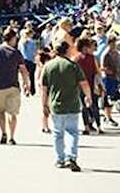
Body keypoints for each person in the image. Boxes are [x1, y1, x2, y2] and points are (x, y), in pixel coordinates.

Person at [40, 41, 90, 172]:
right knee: (73, 132)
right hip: (72, 104)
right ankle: (71, 157)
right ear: (66, 51)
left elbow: (43, 88)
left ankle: (60, 159)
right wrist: (88, 96)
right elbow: (84, 83)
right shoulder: (73, 66)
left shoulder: (48, 66)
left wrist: (43, 105)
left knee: (58, 133)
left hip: (56, 105)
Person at [0, 28, 31, 145]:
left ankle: (3, 132)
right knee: (12, 113)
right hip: (13, 86)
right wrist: (26, 84)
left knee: (0, 111)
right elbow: (24, 70)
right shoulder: (16, 53)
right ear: (13, 38)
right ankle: (11, 137)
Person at [75, 38, 104, 134]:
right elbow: (97, 71)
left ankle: (86, 127)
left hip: (80, 85)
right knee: (94, 105)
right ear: (84, 47)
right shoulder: (92, 58)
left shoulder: (76, 58)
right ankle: (99, 126)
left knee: (84, 106)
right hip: (91, 84)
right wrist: (100, 84)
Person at [18, 30, 38, 96]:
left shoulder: (20, 42)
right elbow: (35, 52)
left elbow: (19, 51)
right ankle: (32, 90)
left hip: (23, 61)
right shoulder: (33, 42)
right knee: (31, 77)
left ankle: (25, 89)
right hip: (31, 61)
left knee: (24, 77)